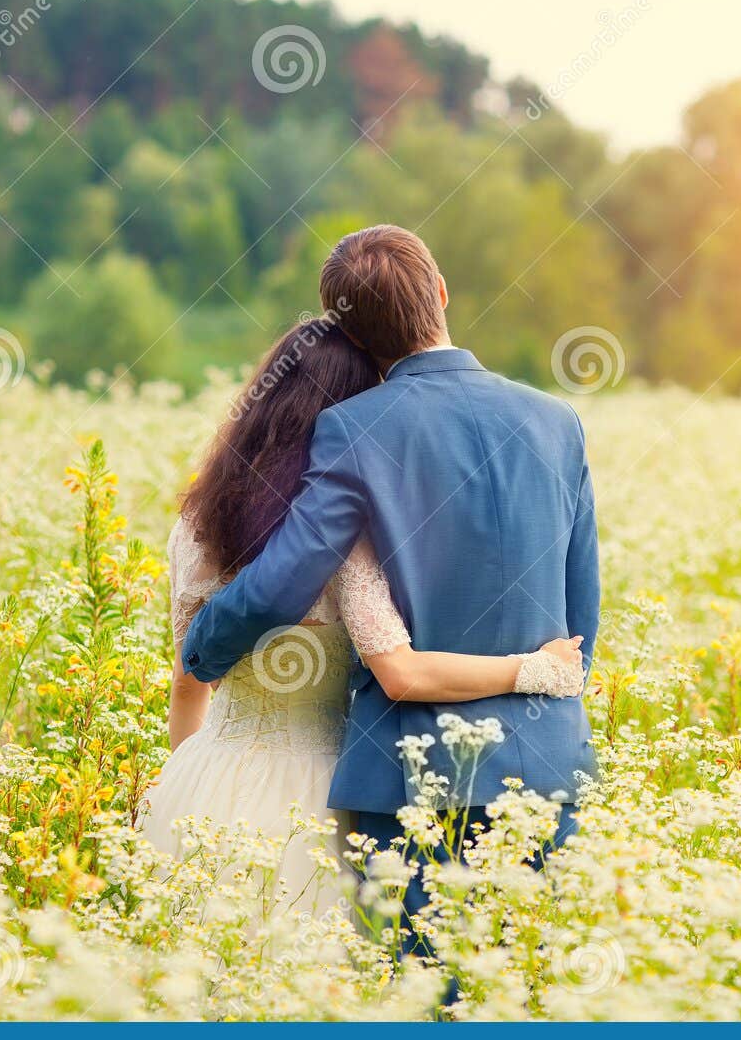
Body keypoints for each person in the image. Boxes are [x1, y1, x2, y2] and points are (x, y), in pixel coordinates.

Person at [181, 225, 599, 949]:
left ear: (352, 333)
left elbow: (284, 585)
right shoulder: (558, 422)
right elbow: (581, 616)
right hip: (544, 773)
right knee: (516, 1000)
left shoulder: (354, 427)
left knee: (415, 1002)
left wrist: (203, 645)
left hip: (410, 786)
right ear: (440, 291)